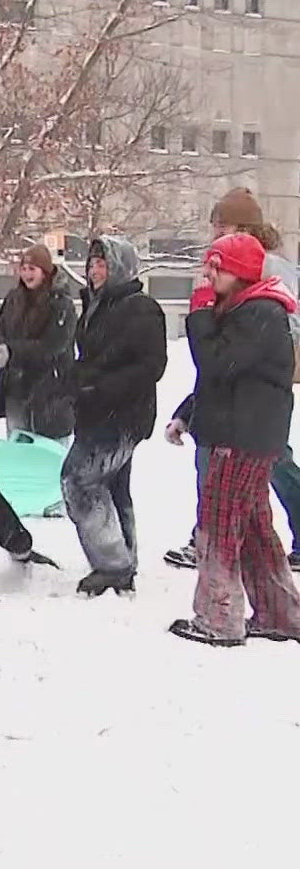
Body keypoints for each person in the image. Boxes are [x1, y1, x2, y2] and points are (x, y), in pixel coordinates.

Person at [165, 232, 300, 646]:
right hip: (243, 432)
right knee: (254, 528)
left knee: (219, 524)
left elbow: (216, 362)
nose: (207, 274)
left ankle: (218, 618)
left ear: (239, 272)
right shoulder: (245, 309)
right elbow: (220, 379)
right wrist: (187, 414)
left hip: (241, 437)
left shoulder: (259, 311)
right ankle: (280, 614)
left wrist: (200, 311)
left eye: (216, 266)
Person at [64, 235, 167, 596]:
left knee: (79, 480)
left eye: (103, 264)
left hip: (121, 416)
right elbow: (93, 357)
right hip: (95, 411)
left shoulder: (139, 308)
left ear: (121, 267)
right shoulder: (98, 305)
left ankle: (112, 566)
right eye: (92, 264)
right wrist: (77, 381)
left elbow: (151, 365)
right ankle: (124, 560)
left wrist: (101, 387)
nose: (95, 271)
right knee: (113, 487)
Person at [0, 243, 76, 439]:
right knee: (17, 447)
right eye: (24, 268)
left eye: (32, 269)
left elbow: (53, 345)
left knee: (49, 451)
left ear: (45, 272)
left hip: (50, 394)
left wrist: (13, 352)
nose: (27, 274)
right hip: (15, 391)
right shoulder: (13, 299)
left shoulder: (61, 303)